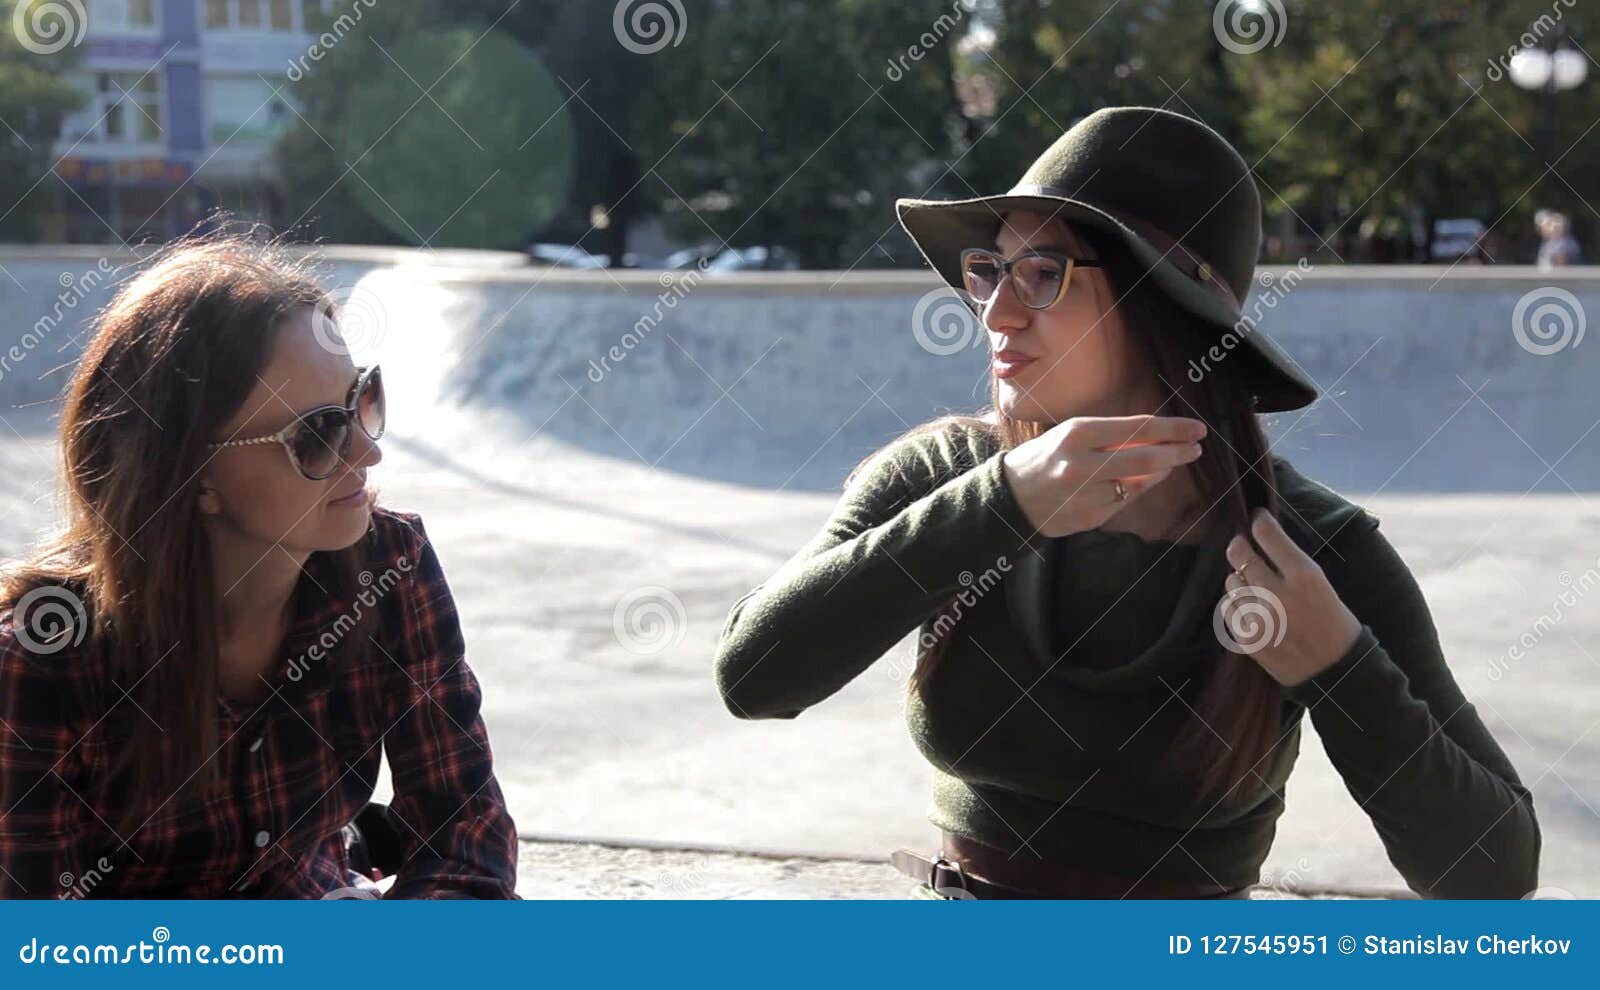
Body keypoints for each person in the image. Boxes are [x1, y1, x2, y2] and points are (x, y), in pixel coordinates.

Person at [714, 107, 1540, 899]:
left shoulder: (1312, 546)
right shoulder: (946, 475)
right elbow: (754, 678)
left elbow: (1493, 874)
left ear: (1162, 307)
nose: (995, 311)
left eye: (1043, 274)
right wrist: (1001, 502)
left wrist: (1340, 664)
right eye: (989, 270)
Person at [0, 230, 518, 898]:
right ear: (191, 475)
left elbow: (466, 838)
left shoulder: (390, 565)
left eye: (363, 401)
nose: (367, 453)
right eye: (317, 434)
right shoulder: (45, 659)